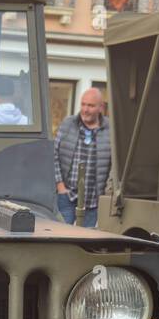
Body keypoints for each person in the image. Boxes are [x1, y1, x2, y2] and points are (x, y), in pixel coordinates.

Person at [54, 87, 111, 227]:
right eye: (83, 104)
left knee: (85, 242)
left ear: (101, 107)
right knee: (61, 235)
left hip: (93, 200)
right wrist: (60, 187)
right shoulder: (68, 124)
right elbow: (53, 155)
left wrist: (106, 195)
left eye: (90, 106)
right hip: (66, 195)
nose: (85, 109)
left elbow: (115, 166)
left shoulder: (110, 129)